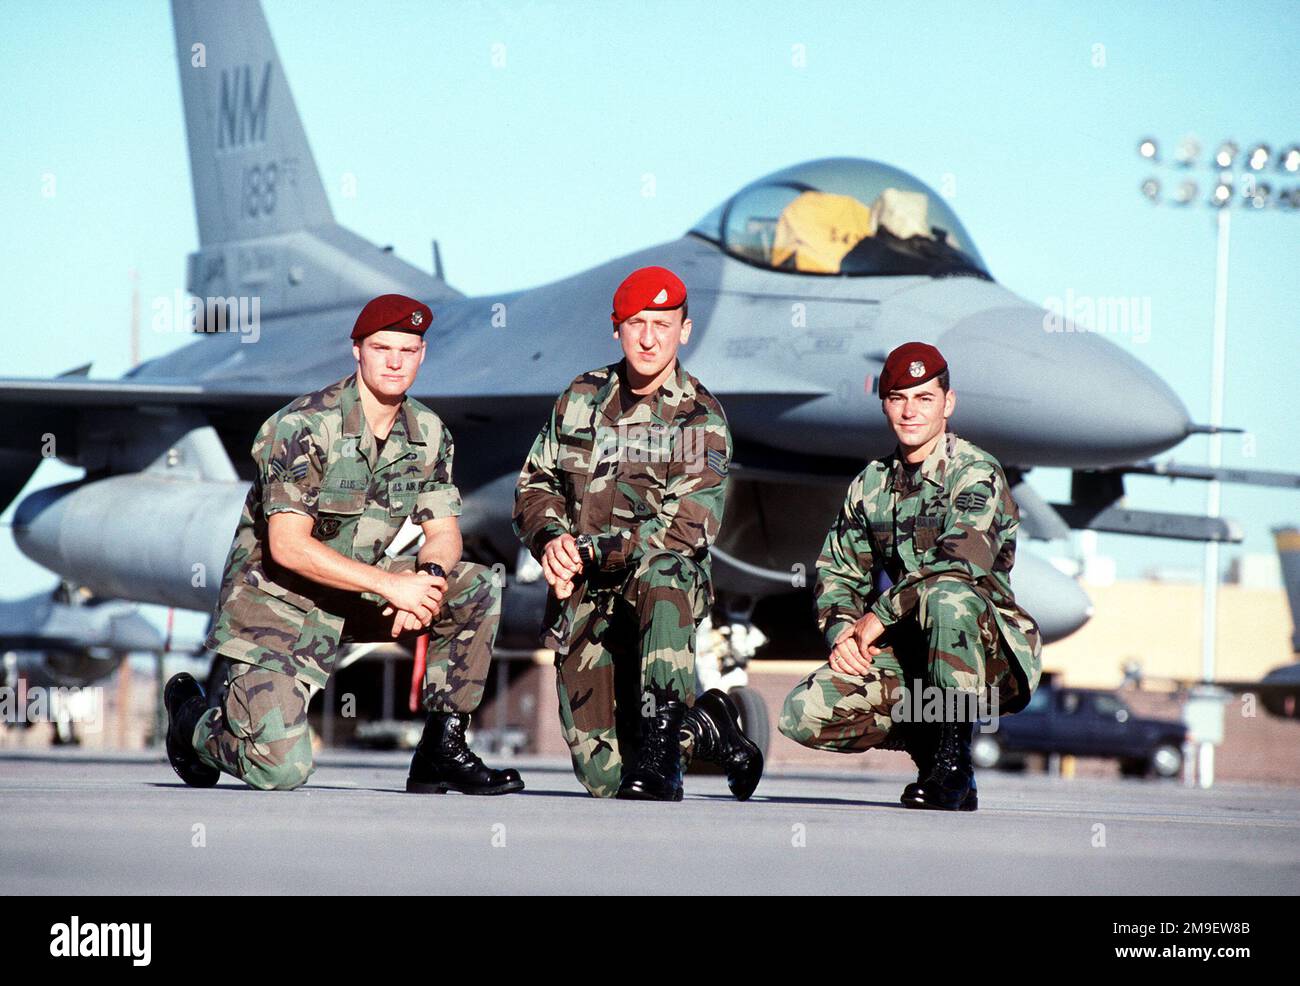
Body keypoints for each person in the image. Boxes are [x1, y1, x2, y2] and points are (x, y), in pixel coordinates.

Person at [164, 293, 522, 795]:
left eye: (408, 349)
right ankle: (195, 726)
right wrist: (392, 587)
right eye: (381, 348)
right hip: (277, 607)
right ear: (357, 350)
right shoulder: (303, 426)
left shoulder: (430, 432)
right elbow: (288, 546)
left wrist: (430, 580)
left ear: (422, 354)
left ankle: (442, 748)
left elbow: (443, 531)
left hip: (355, 594)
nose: (395, 361)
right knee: (280, 771)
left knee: (476, 586)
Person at [513, 266, 762, 801]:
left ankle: (665, 752)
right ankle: (708, 724)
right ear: (616, 328)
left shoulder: (700, 418)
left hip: (656, 592)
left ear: (685, 330)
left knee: (667, 572)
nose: (649, 338)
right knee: (604, 779)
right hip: (584, 600)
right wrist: (551, 539)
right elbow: (535, 485)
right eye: (637, 323)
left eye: (663, 324)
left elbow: (684, 529)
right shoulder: (579, 398)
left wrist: (586, 549)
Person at [778, 341, 1042, 810]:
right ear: (884, 404)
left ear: (948, 403)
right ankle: (931, 745)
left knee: (946, 596)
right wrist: (843, 635)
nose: (910, 411)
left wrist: (878, 616)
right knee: (803, 713)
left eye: (924, 398)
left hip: (986, 653)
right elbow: (837, 571)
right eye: (898, 398)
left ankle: (952, 759)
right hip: (912, 656)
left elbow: (960, 561)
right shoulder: (871, 484)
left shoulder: (975, 473)